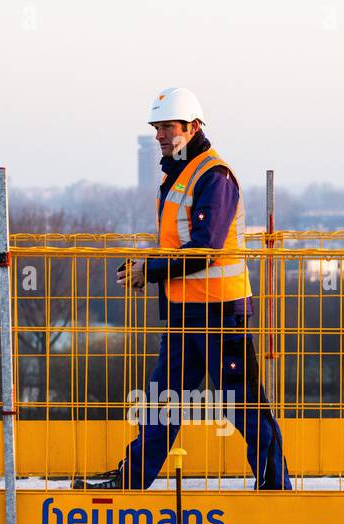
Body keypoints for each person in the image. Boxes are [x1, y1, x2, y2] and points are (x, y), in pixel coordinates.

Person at [74, 87, 291, 491]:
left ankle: (276, 488)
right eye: (156, 127)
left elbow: (205, 248)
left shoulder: (214, 175)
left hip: (220, 315)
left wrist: (150, 270)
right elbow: (180, 245)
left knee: (244, 406)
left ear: (192, 128)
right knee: (159, 405)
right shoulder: (177, 175)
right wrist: (148, 270)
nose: (159, 134)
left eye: (166, 127)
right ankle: (130, 480)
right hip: (183, 315)